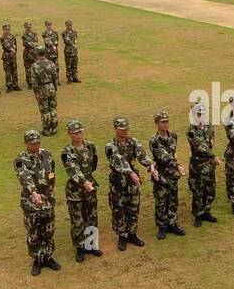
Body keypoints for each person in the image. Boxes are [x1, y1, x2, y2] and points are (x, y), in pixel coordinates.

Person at [15, 130, 60, 276]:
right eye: (32, 143)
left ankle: (47, 257)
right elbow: (24, 176)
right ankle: (37, 260)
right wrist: (34, 192)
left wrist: (51, 187)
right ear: (26, 143)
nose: (36, 145)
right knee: (34, 233)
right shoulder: (21, 159)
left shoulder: (47, 154)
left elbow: (52, 172)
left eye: (38, 142)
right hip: (31, 202)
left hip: (47, 200)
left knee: (48, 230)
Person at [105, 117, 153, 251]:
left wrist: (150, 166)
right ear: (115, 129)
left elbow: (142, 155)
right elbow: (118, 160)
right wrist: (130, 172)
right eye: (122, 129)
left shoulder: (133, 141)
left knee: (133, 207)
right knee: (119, 209)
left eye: (126, 128)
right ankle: (122, 236)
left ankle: (132, 234)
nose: (125, 131)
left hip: (132, 182)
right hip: (118, 181)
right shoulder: (110, 146)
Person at [60, 120, 104, 262]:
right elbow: (72, 169)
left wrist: (88, 181)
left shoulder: (90, 146)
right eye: (74, 133)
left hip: (90, 187)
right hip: (75, 191)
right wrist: (84, 182)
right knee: (77, 220)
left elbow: (94, 163)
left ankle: (91, 245)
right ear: (69, 134)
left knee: (91, 216)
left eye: (80, 132)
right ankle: (80, 247)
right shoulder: (66, 152)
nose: (78, 135)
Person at [147, 111, 186, 239]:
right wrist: (177, 165)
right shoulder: (154, 140)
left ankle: (172, 224)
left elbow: (173, 153)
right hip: (161, 174)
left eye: (167, 121)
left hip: (172, 175)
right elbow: (163, 157)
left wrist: (175, 164)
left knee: (173, 200)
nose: (165, 124)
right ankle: (162, 227)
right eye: (162, 122)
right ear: (156, 123)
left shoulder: (173, 135)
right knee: (161, 201)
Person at [186, 101, 221, 226]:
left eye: (203, 114)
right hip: (198, 164)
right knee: (198, 190)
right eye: (199, 114)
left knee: (210, 189)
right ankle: (198, 215)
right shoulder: (191, 130)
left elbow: (211, 142)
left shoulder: (209, 126)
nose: (201, 116)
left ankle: (207, 211)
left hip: (209, 164)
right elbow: (200, 145)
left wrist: (211, 157)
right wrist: (212, 156)